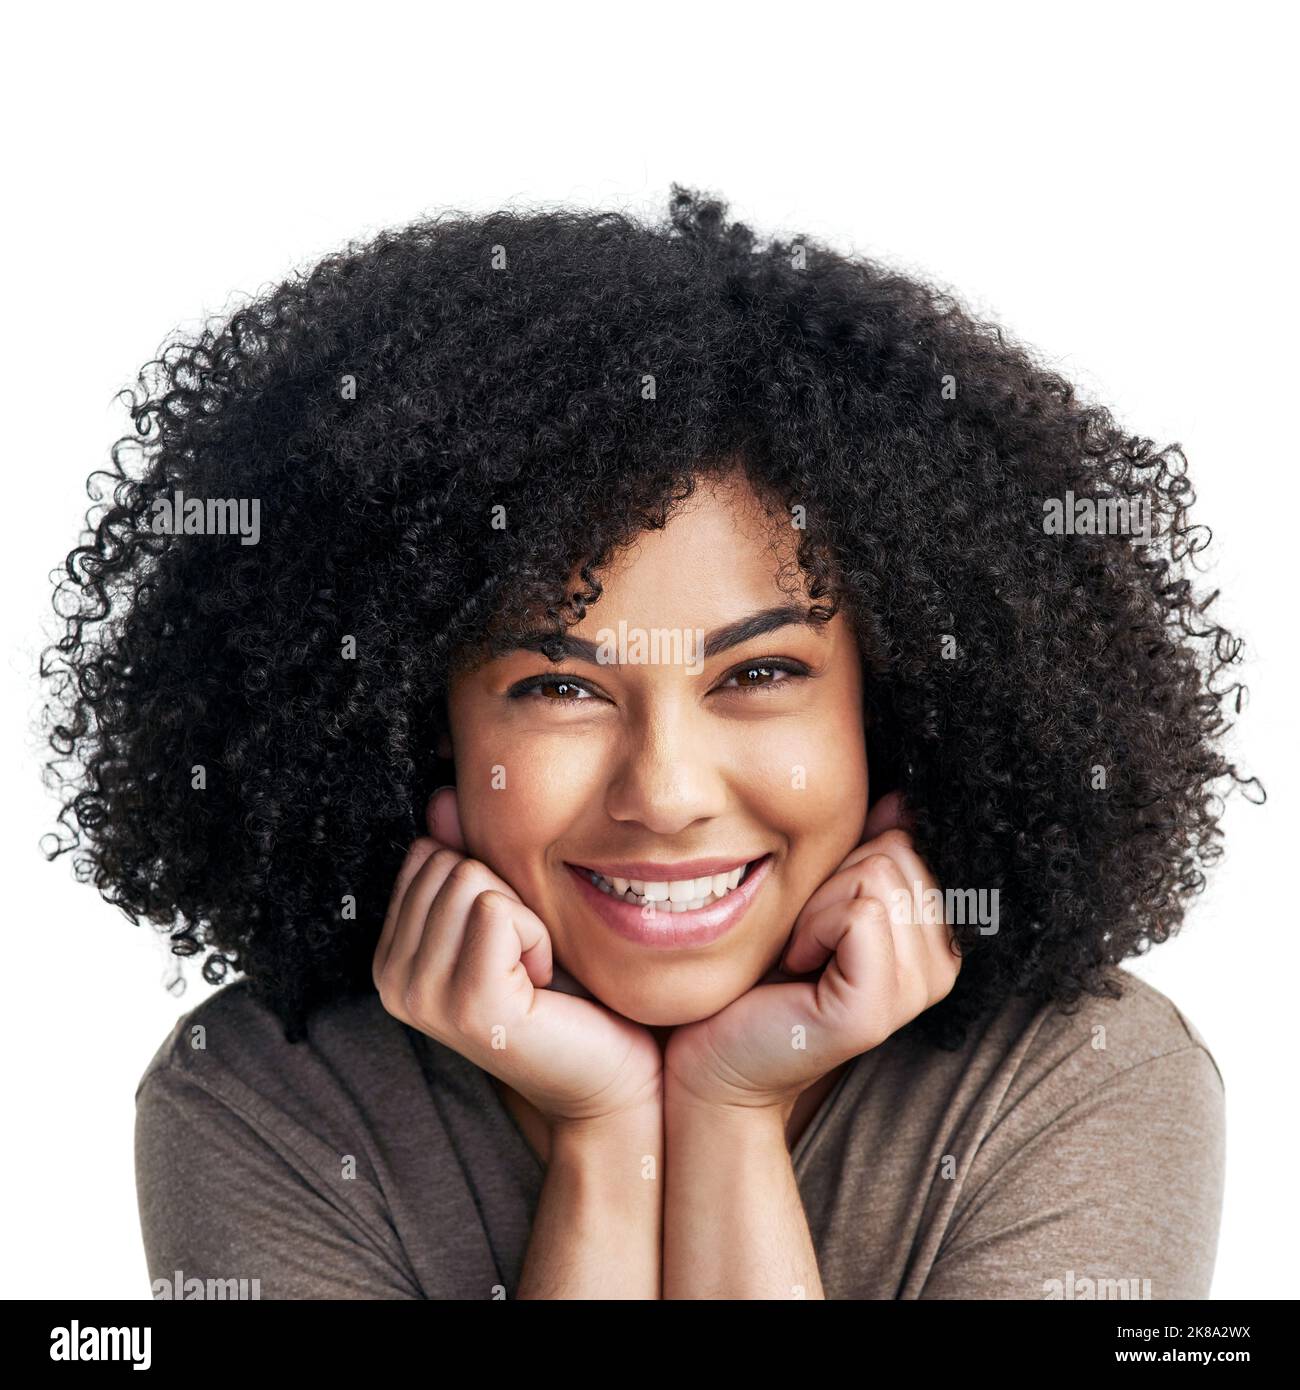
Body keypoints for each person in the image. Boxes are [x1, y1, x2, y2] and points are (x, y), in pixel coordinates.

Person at [41, 186, 1247, 1299]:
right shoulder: (271, 1098)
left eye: (760, 672)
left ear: (890, 715)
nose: (665, 793)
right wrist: (609, 1135)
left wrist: (724, 1112)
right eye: (559, 686)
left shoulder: (1083, 1076)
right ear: (418, 730)